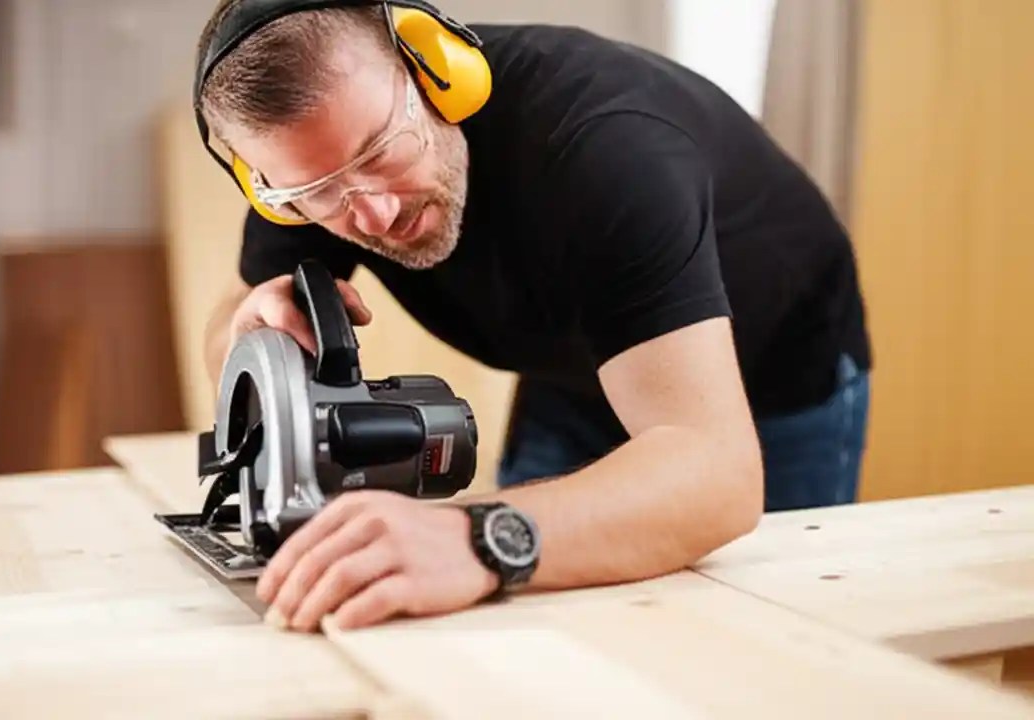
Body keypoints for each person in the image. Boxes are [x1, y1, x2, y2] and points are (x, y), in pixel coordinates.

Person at [194, 0, 872, 633]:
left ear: (434, 71)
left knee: (749, 636)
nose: (371, 217)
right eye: (317, 194)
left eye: (381, 152)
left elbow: (718, 477)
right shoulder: (323, 159)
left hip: (770, 379)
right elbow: (228, 323)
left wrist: (471, 536)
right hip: (573, 374)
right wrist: (251, 336)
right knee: (528, 627)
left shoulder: (608, 148)